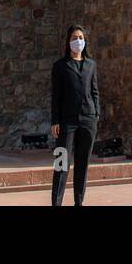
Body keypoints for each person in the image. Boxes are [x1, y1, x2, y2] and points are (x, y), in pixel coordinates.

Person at [49, 24, 99, 207]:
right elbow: (56, 95)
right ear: (68, 42)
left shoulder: (91, 64)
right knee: (61, 164)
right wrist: (55, 120)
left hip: (88, 120)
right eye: (74, 38)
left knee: (82, 165)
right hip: (66, 122)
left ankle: (79, 202)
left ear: (85, 41)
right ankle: (56, 203)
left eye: (80, 38)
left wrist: (97, 114)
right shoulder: (60, 66)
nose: (78, 41)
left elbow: (95, 92)